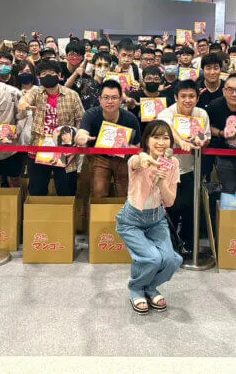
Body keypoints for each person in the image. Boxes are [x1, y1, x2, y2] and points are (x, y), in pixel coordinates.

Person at [115, 119, 182, 315]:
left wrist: (162, 182)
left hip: (157, 218)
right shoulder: (137, 160)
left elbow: (170, 201)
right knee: (152, 258)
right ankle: (136, 289)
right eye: (156, 137)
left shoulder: (173, 163)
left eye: (166, 138)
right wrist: (144, 159)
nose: (161, 142)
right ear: (146, 140)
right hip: (132, 220)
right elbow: (137, 161)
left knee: (170, 260)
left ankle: (150, 287)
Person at [158, 80, 211, 253]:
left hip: (190, 169)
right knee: (170, 207)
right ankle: (169, 246)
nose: (187, 100)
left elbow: (205, 136)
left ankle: (188, 245)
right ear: (176, 97)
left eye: (191, 96)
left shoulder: (201, 114)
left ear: (197, 98)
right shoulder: (167, 113)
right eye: (183, 96)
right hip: (167, 169)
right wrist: (181, 142)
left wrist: (201, 140)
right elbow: (167, 127)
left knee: (190, 208)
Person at [18, 59, 85, 196]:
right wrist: (23, 103)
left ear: (59, 75)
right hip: (39, 149)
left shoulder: (72, 95)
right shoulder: (36, 92)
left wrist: (76, 147)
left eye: (51, 72)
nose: (47, 76)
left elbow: (81, 121)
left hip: (65, 150)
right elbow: (26, 99)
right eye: (43, 74)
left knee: (66, 191)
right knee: (36, 191)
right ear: (38, 77)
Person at [77, 81, 141, 198]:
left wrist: (125, 148)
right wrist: (81, 138)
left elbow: (137, 146)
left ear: (120, 100)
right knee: (99, 190)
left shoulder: (130, 119)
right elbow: (81, 133)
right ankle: (98, 209)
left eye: (114, 98)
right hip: (99, 156)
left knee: (125, 193)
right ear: (100, 99)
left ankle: (124, 210)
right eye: (106, 98)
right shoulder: (91, 114)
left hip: (123, 158)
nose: (110, 101)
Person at [125, 66, 165, 135]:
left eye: (156, 79)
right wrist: (130, 104)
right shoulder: (135, 96)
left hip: (160, 134)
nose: (152, 81)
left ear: (160, 80)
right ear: (143, 80)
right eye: (149, 78)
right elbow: (130, 108)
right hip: (140, 134)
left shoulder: (166, 99)